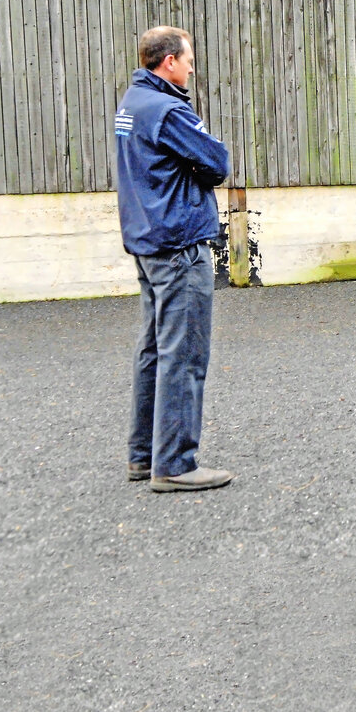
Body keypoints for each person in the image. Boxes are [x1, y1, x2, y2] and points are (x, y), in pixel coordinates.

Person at [115, 26, 234, 492]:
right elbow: (218, 163)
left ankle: (143, 456)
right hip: (178, 244)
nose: (191, 67)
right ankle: (176, 464)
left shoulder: (133, 104)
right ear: (169, 61)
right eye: (188, 60)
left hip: (147, 242)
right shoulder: (168, 109)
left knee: (152, 352)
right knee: (183, 355)